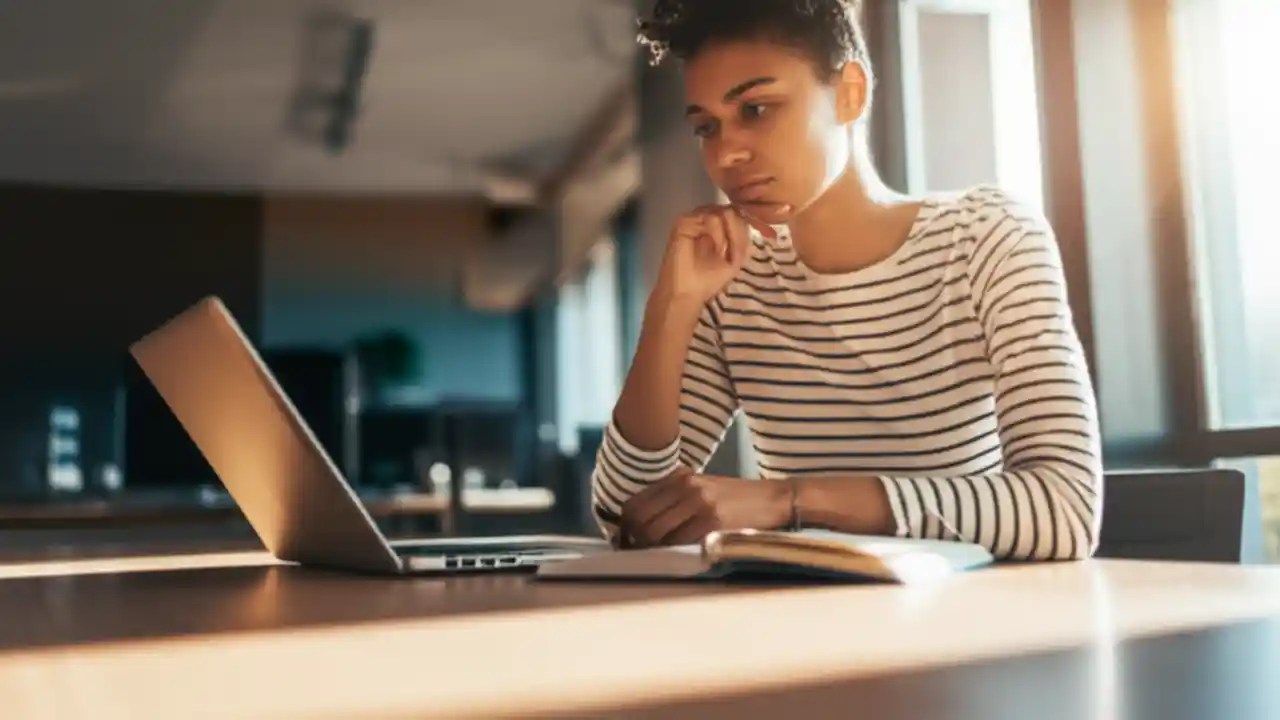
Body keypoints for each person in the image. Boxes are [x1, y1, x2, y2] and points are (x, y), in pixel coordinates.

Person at [591, 0, 1101, 560]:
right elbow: (627, 516)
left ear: (850, 93)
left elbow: (1066, 510)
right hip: (801, 626)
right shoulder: (733, 283)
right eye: (707, 127)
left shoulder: (986, 239)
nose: (727, 153)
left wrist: (788, 501)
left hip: (969, 625)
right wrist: (672, 307)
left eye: (757, 109)